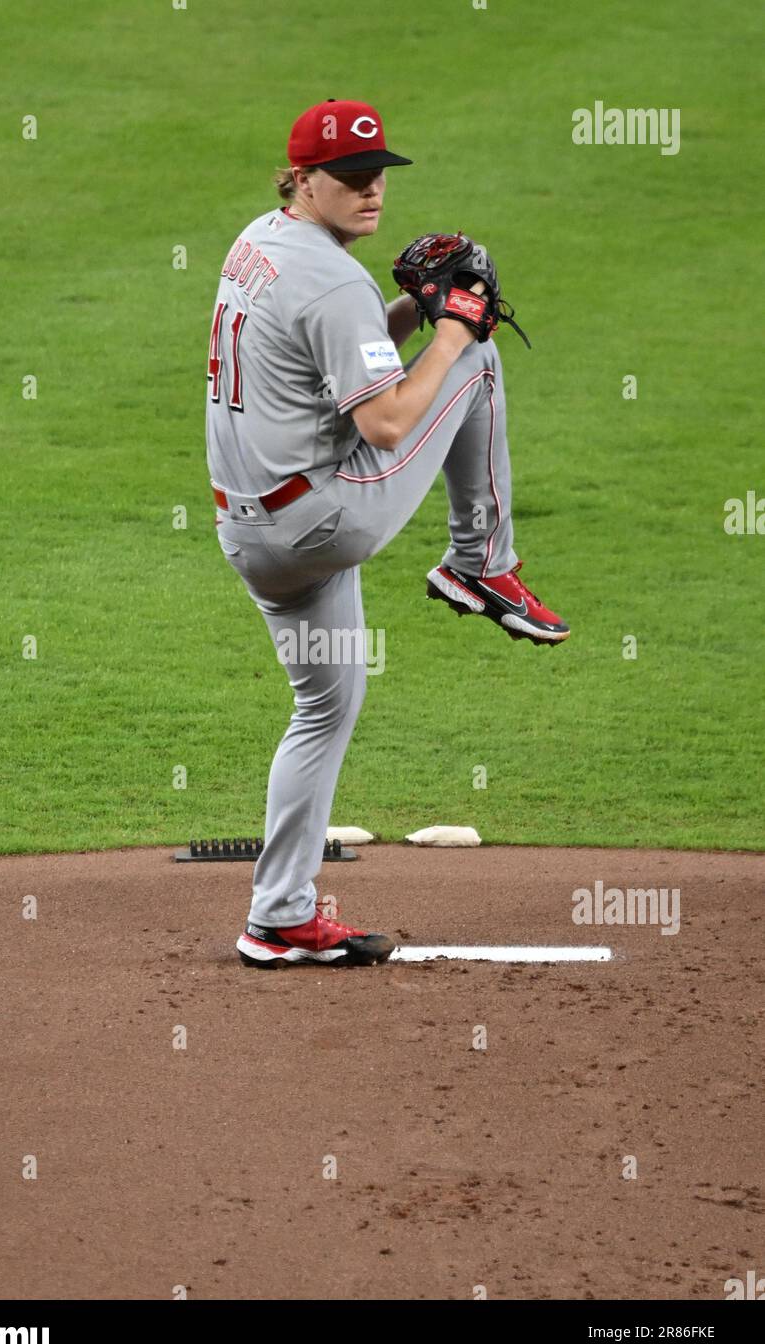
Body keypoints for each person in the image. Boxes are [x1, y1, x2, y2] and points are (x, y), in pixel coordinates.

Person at [205, 98, 569, 969]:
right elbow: (387, 426)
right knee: (475, 364)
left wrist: (408, 311)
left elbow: (334, 348)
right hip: (321, 520)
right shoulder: (331, 281)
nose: (371, 194)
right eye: (350, 179)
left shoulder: (261, 240)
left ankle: (279, 917)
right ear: (300, 179)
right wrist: (451, 324)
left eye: (378, 177)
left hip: (253, 529)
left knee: (324, 707)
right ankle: (481, 564)